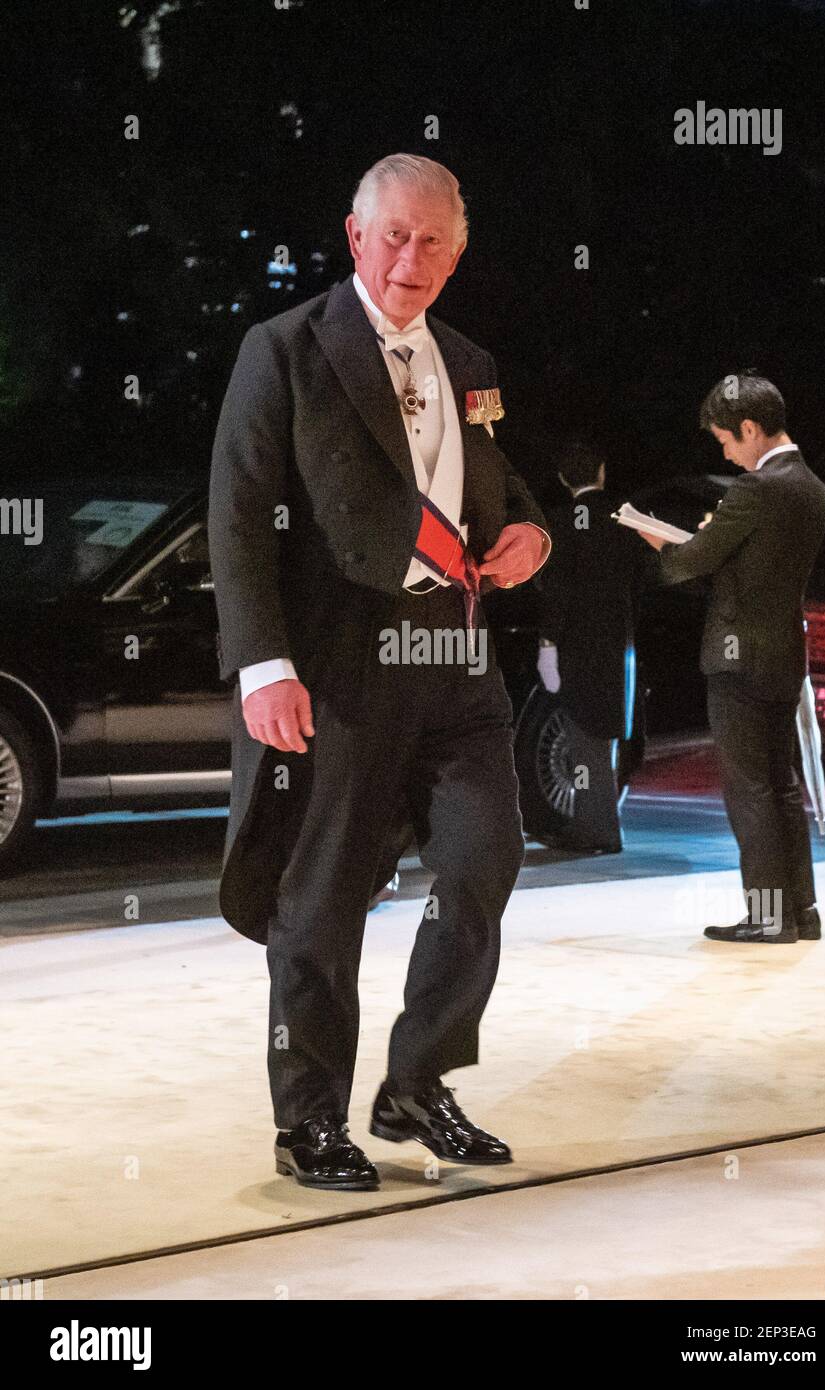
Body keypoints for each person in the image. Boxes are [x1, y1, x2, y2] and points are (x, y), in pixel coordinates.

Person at [208, 153, 551, 1191]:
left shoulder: (469, 359)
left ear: (457, 252)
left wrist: (530, 530)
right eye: (393, 235)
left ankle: (417, 1080)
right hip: (335, 661)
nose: (411, 257)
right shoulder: (285, 348)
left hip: (453, 653)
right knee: (321, 899)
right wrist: (262, 664)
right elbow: (235, 513)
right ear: (355, 238)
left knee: (483, 859)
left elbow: (492, 482)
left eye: (432, 240)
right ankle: (308, 1120)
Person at [637, 371, 825, 943]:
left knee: (749, 790)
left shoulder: (755, 490)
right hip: (782, 655)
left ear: (749, 428)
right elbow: (753, 563)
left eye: (725, 440)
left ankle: (769, 917)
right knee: (781, 784)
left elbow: (688, 564)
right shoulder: (812, 486)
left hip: (737, 657)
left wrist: (666, 545)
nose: (725, 451)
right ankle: (801, 911)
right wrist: (714, 542)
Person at [534, 437, 649, 851]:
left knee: (584, 739)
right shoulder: (625, 520)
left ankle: (596, 830)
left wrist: (548, 642)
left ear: (565, 479)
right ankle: (600, 822)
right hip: (620, 642)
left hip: (578, 644)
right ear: (602, 472)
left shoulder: (561, 522)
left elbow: (557, 589)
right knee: (605, 739)